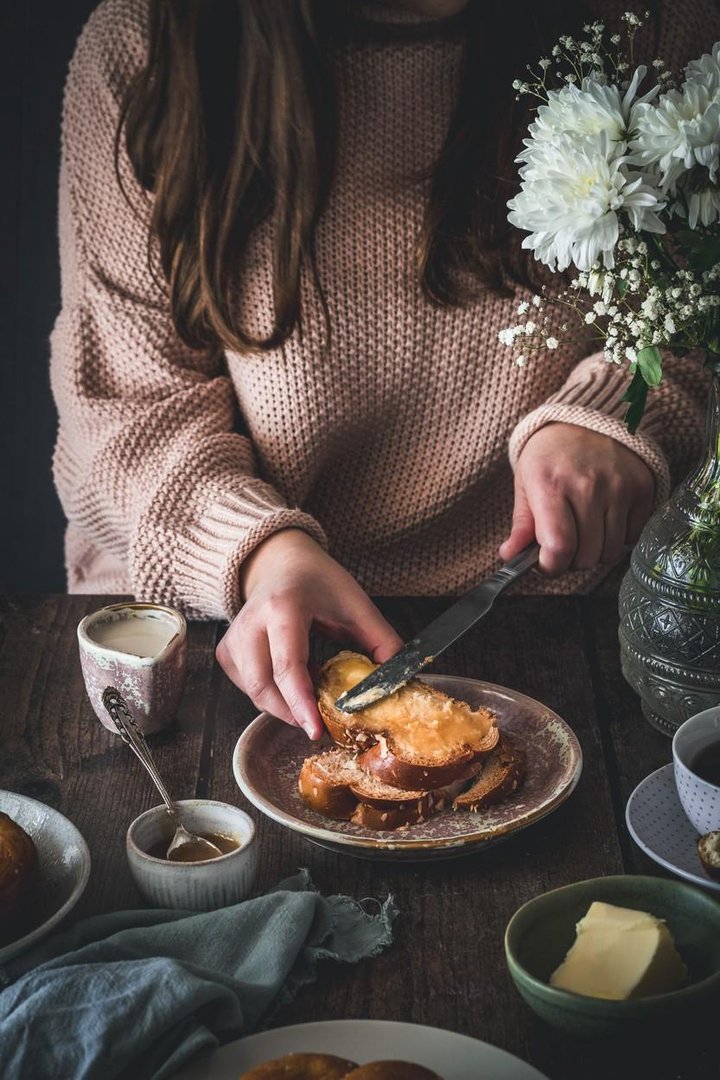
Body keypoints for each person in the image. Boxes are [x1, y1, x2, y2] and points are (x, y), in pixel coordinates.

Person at [52, 0, 718, 738]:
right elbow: (123, 409)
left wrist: (619, 409)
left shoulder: (654, 18)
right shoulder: (146, 45)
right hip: (215, 629)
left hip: (571, 619)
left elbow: (697, 304)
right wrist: (256, 552)